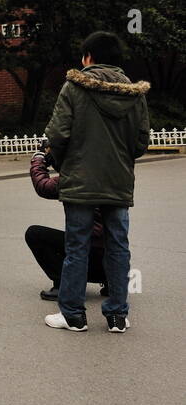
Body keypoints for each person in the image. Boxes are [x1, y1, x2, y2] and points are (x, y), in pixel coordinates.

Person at [42, 31, 149, 334]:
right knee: (118, 247)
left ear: (88, 57)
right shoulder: (135, 94)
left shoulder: (74, 88)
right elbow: (141, 142)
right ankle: (117, 316)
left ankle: (73, 315)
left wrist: (65, 164)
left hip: (81, 181)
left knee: (77, 247)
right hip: (118, 182)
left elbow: (58, 135)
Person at [26, 141, 108, 301]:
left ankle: (64, 285)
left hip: (85, 257)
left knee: (34, 234)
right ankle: (111, 282)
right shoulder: (104, 172)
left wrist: (39, 159)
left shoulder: (74, 178)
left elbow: (43, 186)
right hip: (111, 261)